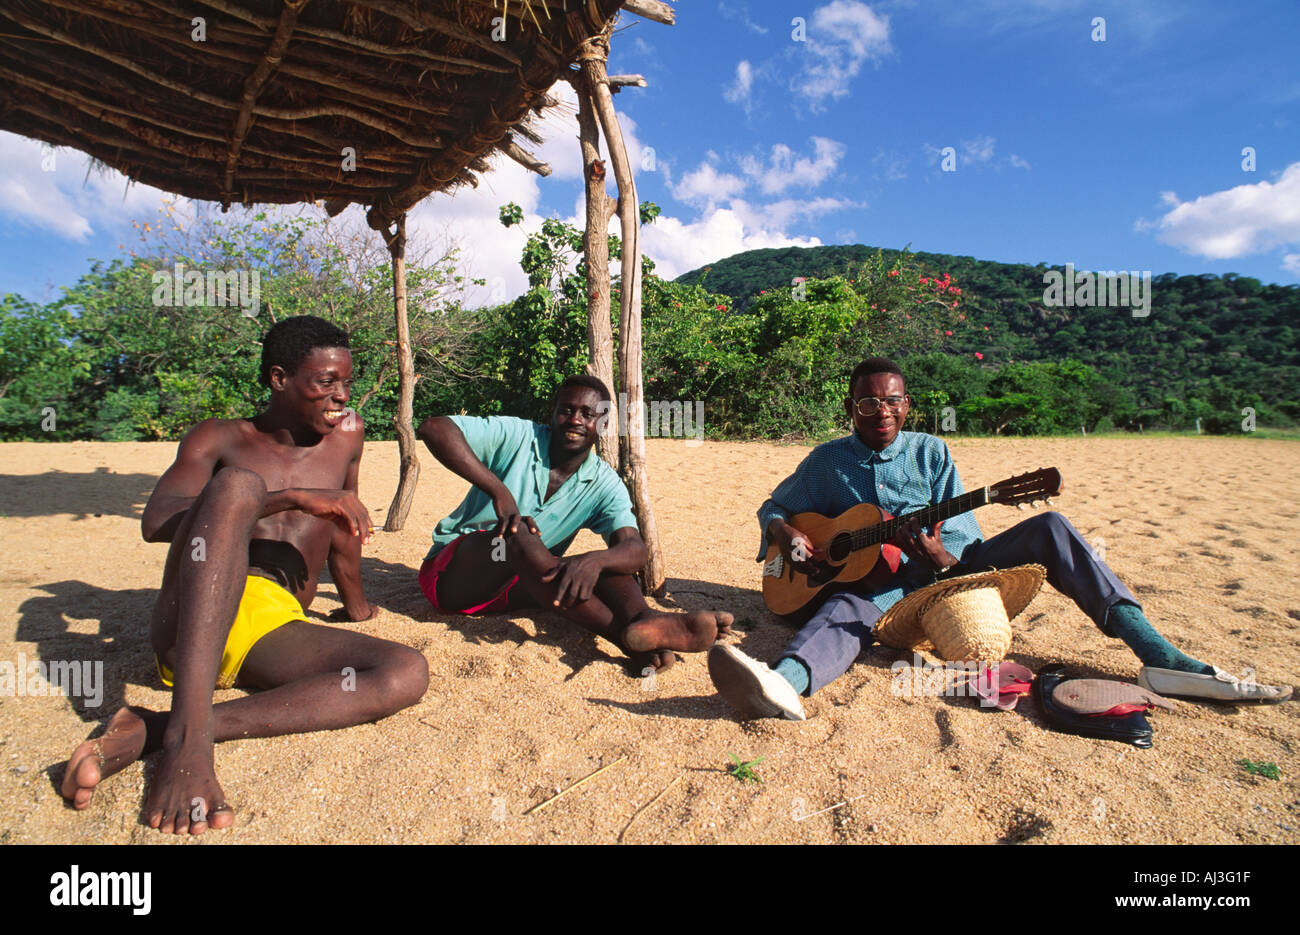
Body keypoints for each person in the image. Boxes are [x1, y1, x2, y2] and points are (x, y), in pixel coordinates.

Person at [709, 357, 1293, 719]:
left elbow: (963, 535)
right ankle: (783, 684)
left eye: (891, 399)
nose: (880, 409)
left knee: (1052, 528)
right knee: (841, 608)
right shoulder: (824, 462)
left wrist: (943, 554)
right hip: (879, 587)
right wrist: (785, 532)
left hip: (941, 569)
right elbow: (775, 505)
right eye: (867, 401)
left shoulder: (932, 451)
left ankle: (1161, 658)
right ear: (851, 407)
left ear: (906, 405)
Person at [61, 315, 430, 833]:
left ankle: (160, 729)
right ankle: (189, 750)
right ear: (279, 378)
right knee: (237, 487)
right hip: (194, 622)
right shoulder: (219, 438)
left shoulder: (348, 435)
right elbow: (157, 520)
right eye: (326, 382)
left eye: (346, 382)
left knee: (405, 672)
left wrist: (357, 605)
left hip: (272, 628)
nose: (342, 395)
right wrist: (286, 498)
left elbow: (346, 521)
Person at [416, 375, 731, 671]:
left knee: (606, 568)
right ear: (552, 414)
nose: (576, 420)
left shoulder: (603, 482)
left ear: (603, 424)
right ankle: (625, 639)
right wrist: (498, 490)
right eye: (567, 410)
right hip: (454, 579)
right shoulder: (519, 437)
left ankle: (645, 621)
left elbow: (635, 548)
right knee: (517, 533)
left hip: (520, 587)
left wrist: (594, 561)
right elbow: (434, 428)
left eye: (588, 413)